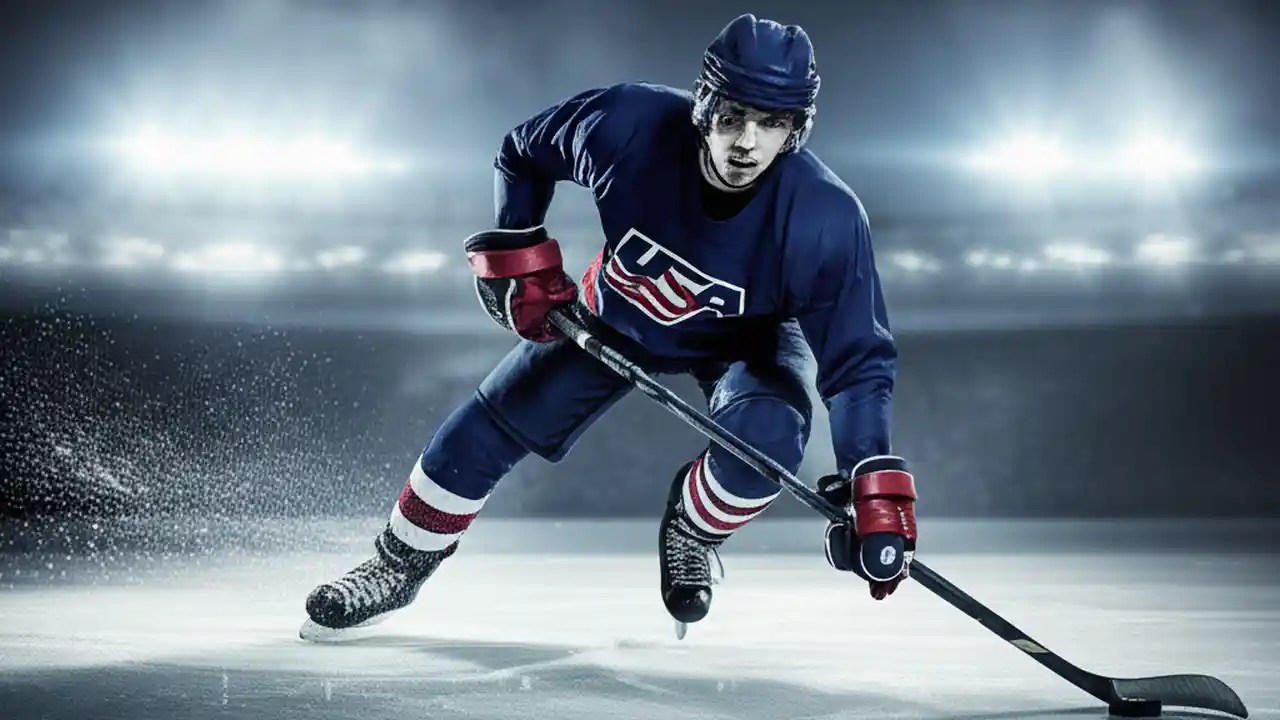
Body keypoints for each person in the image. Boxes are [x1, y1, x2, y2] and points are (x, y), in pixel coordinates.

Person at [301, 13, 918, 640]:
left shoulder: (826, 217)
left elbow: (857, 363)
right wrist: (519, 251)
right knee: (477, 436)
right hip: (620, 310)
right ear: (704, 103)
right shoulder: (627, 123)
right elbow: (523, 152)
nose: (747, 143)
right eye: (733, 116)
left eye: (772, 123)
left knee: (770, 441)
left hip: (748, 342)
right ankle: (397, 565)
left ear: (796, 129)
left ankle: (692, 529)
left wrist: (871, 484)